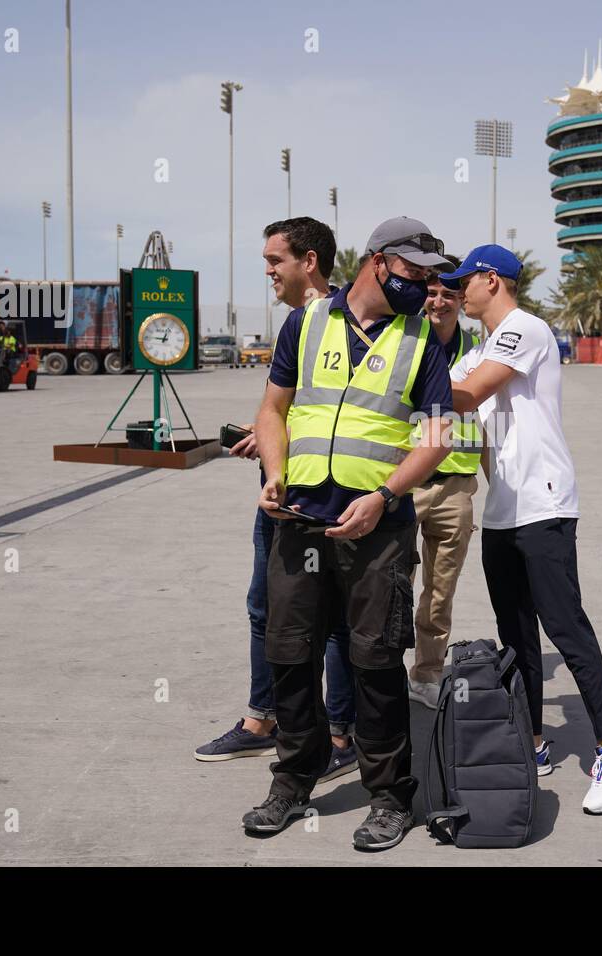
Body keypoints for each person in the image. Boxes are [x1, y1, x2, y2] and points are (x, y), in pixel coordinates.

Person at [241, 217, 454, 851]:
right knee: (289, 654)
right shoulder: (306, 323)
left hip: (377, 530)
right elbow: (273, 409)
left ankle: (389, 795)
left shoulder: (423, 340)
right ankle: (293, 780)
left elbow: (438, 438)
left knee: (376, 660)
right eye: (413, 271)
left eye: (429, 275)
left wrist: (385, 497)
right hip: (298, 522)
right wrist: (274, 473)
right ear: (376, 261)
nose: (423, 284)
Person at [446, 244, 602, 816]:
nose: (458, 292)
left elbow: (465, 395)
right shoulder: (479, 349)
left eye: (464, 282)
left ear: (492, 279)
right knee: (516, 635)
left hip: (545, 503)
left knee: (564, 625)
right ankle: (531, 741)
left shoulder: (523, 330)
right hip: (504, 510)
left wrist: (404, 376)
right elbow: (451, 406)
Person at [196, 217, 359, 787]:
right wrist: (264, 438)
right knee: (264, 607)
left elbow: (345, 416)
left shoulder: (344, 322)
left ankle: (340, 735)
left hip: (327, 497)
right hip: (281, 491)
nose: (267, 271)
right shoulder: (298, 323)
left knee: (333, 622)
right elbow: (286, 408)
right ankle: (262, 719)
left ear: (308, 261)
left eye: (275, 261)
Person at [405, 259, 484, 708]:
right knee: (390, 585)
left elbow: (489, 421)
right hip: (405, 482)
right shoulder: (404, 340)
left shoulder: (478, 351)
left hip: (456, 488)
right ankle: (378, 673)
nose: (438, 301)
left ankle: (427, 674)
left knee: (440, 591)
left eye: (448, 294)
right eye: (431, 292)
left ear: (460, 300)